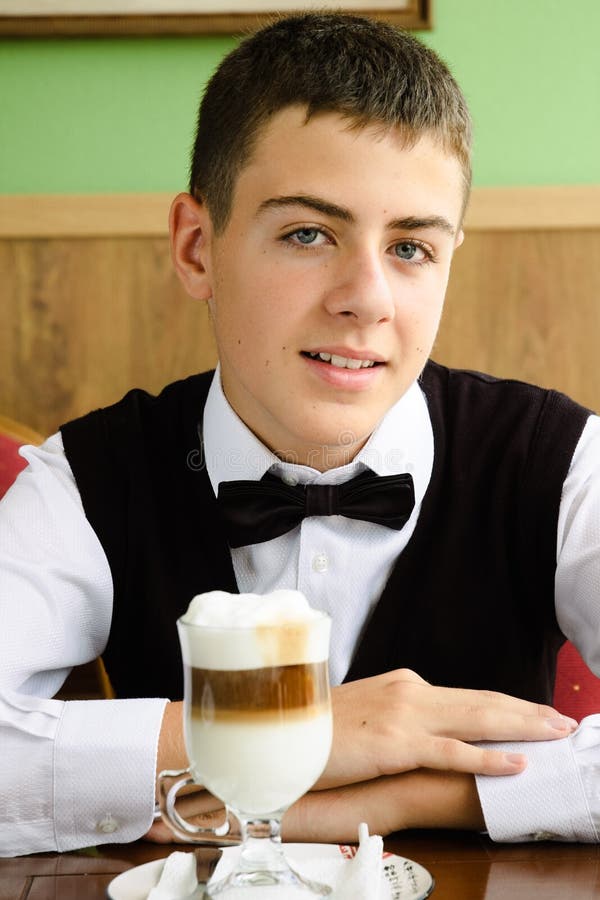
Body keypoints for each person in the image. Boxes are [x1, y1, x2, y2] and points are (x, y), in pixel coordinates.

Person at [1, 12, 599, 858]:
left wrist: (425, 796)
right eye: (308, 234)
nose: (367, 298)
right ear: (197, 247)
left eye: (412, 248)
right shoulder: (88, 478)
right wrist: (308, 733)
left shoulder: (563, 461)